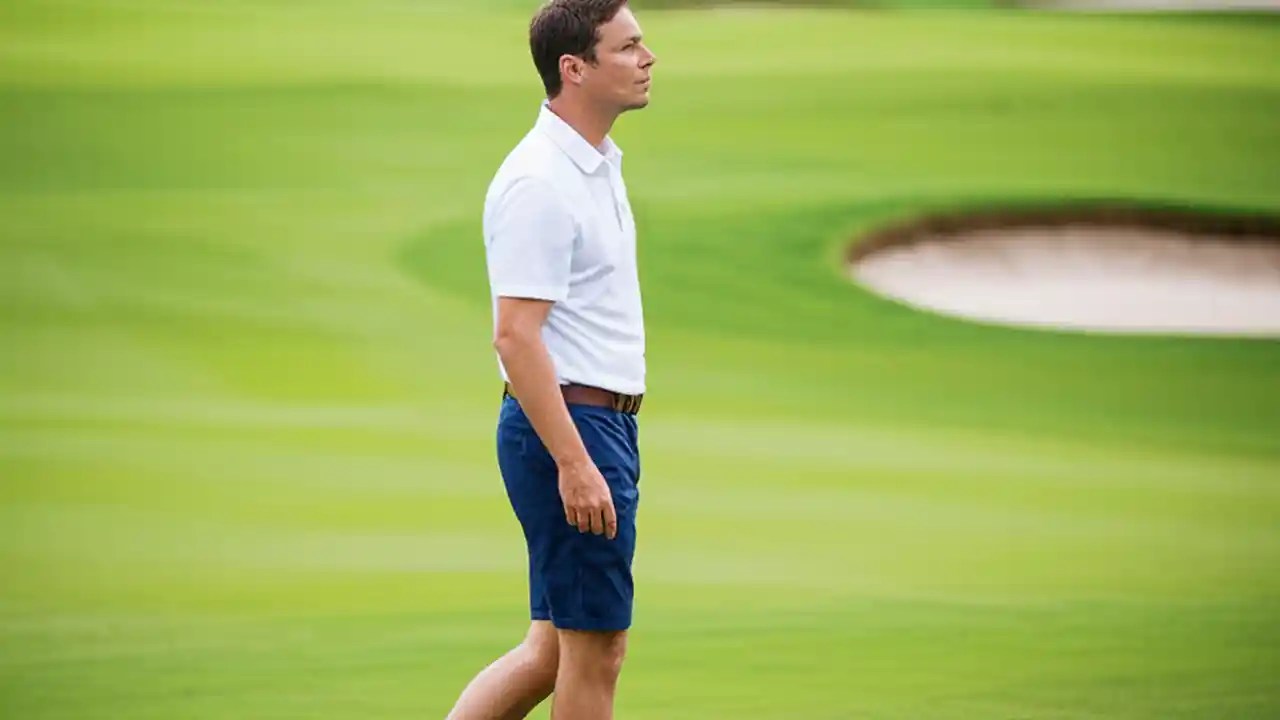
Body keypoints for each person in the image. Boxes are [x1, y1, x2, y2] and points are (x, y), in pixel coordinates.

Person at [445, 2, 657, 719]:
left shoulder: (592, 164)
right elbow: (515, 337)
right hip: (571, 428)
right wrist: (574, 462)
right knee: (597, 652)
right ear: (575, 69)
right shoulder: (541, 181)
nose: (648, 58)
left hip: (596, 427)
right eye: (627, 48)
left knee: (550, 652)